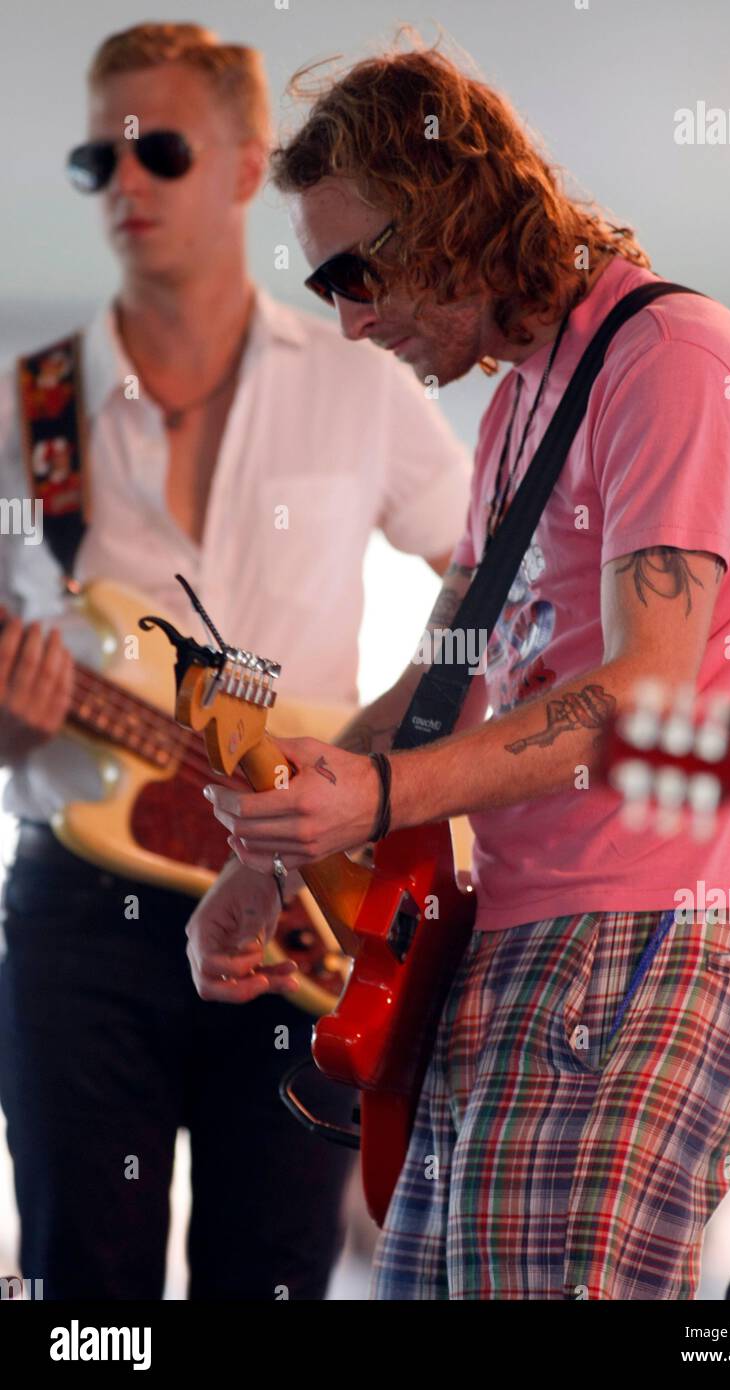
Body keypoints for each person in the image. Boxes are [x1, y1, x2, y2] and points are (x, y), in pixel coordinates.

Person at [187, 41, 730, 1300]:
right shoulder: (527, 402)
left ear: (458, 212)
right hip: (519, 942)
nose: (351, 320)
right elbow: (446, 677)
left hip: (644, 937)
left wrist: (370, 802)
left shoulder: (665, 361)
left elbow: (644, 692)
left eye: (356, 273)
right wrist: (263, 865)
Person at [0, 24, 472, 1301]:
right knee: (79, 1288)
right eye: (98, 159)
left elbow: (491, 570)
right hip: (80, 911)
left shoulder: (361, 372)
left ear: (247, 162)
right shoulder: (28, 406)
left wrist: (390, 759)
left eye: (159, 148)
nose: (127, 183)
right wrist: (10, 721)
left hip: (311, 894)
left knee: (273, 1267)